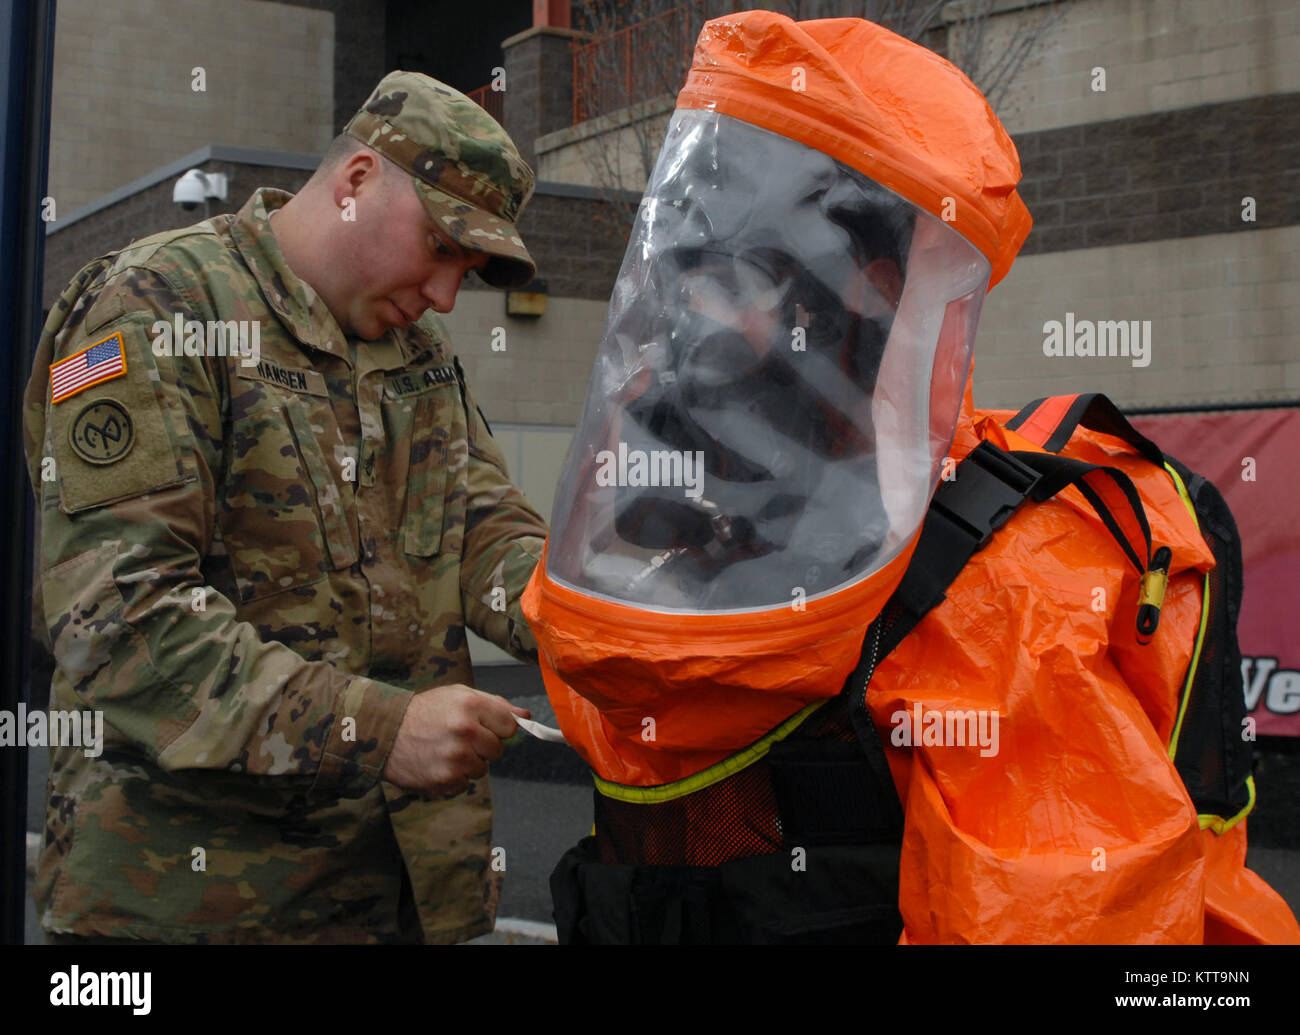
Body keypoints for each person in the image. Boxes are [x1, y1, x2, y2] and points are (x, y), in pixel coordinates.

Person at [523, 12, 1300, 944]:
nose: (690, 325)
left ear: (869, 296)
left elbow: (1063, 919)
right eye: (684, 274)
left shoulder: (1005, 598)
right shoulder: (660, 547)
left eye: (736, 280)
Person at [21, 71, 549, 944]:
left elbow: (481, 528)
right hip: (194, 907)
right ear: (357, 180)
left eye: (468, 270)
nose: (448, 295)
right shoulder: (160, 307)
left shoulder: (414, 347)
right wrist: (380, 730)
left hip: (390, 895)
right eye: (442, 247)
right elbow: (119, 620)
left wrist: (586, 620)